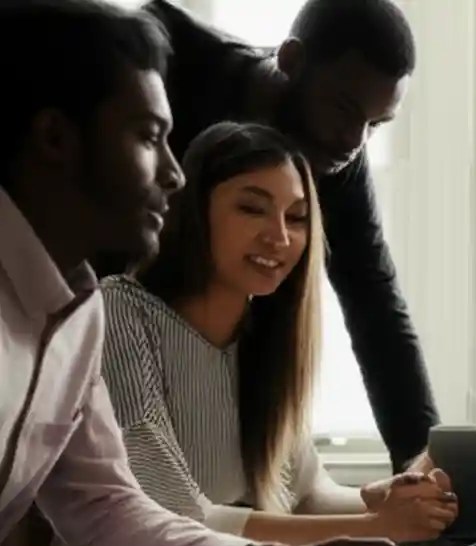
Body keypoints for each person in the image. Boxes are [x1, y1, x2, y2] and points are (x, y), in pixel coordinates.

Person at [0, 0, 414, 546]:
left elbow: (106, 507)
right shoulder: (115, 310)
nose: (174, 175)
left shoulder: (77, 312)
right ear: (55, 139)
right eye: (148, 138)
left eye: (297, 217)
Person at [92, 0, 437, 472]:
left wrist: (426, 469)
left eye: (375, 125)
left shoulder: (339, 154)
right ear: (291, 60)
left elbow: (377, 309)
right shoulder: (161, 63)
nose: (355, 142)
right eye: (345, 109)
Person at [100, 121, 458, 546]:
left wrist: (379, 500)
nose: (280, 237)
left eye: (297, 217)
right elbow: (177, 514)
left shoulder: (263, 341)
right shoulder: (119, 309)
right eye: (252, 209)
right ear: (194, 210)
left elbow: (307, 497)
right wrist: (374, 527)